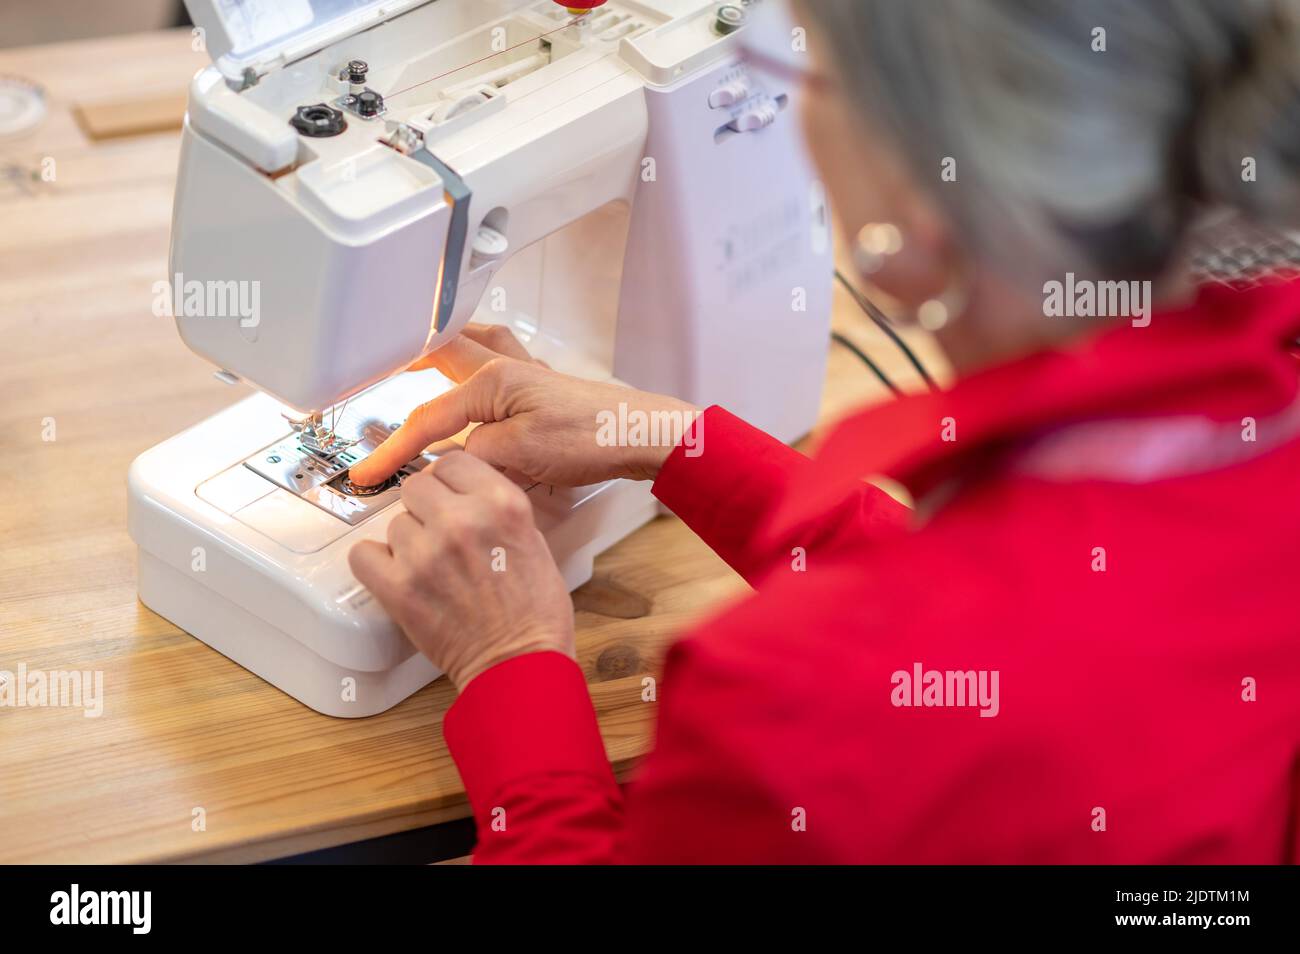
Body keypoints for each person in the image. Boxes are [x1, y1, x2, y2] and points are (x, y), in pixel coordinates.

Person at [345, 0, 1300, 863]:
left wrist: (509, 660)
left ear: (916, 205)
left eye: (811, 73)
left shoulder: (796, 708)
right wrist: (676, 440)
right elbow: (1032, 627)